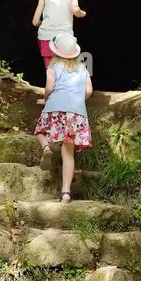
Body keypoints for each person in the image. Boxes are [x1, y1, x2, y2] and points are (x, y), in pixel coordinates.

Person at [34, 33, 93, 203]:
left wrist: (46, 99)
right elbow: (89, 91)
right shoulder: (83, 68)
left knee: (40, 130)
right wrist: (77, 100)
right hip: (76, 113)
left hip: (55, 108)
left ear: (56, 51)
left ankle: (46, 147)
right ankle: (66, 193)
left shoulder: (53, 67)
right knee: (68, 154)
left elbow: (50, 87)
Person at [32, 0, 86, 69]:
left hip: (45, 36)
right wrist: (82, 13)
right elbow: (75, 10)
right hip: (64, 38)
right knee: (65, 69)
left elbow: (35, 22)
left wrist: (47, 25)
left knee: (50, 69)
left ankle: (51, 85)